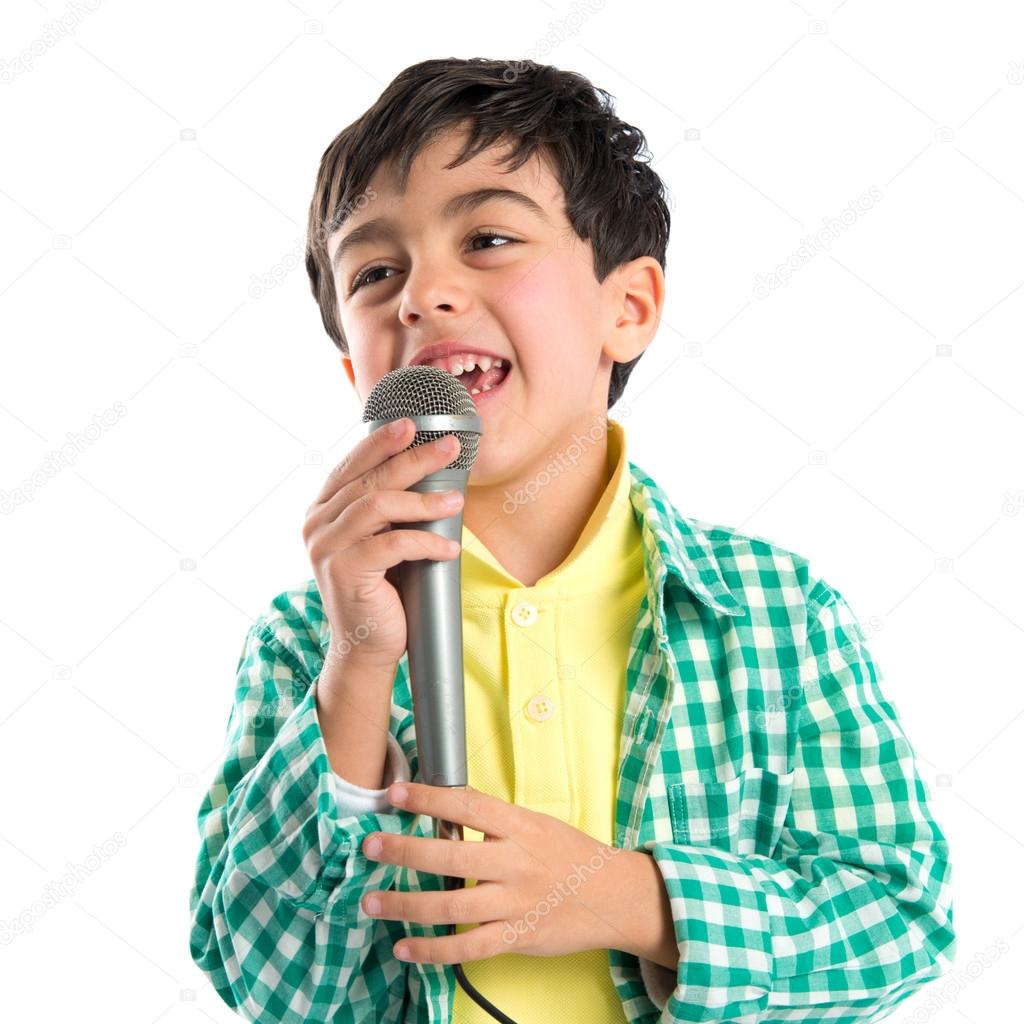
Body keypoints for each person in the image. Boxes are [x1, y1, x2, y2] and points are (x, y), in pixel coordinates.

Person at [188, 58, 955, 1023]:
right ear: (357, 372)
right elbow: (274, 985)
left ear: (626, 308)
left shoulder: (776, 611)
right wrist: (355, 668)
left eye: (490, 237)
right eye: (377, 271)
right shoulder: (309, 643)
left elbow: (901, 921)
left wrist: (623, 896)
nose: (422, 295)